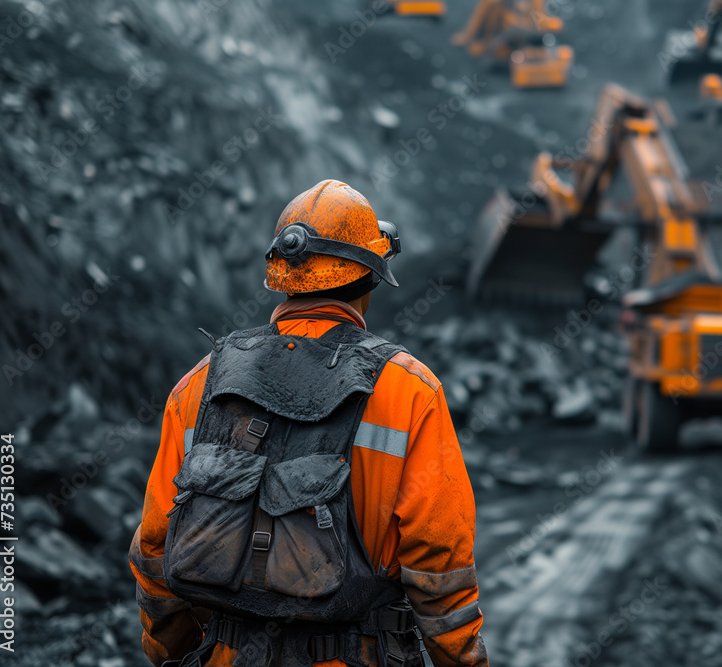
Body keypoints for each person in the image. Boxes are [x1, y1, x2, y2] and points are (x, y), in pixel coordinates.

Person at [129, 179, 488, 667]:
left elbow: (154, 552)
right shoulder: (410, 391)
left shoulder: (199, 384)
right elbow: (440, 568)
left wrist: (182, 653)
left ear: (281, 276)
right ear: (370, 279)